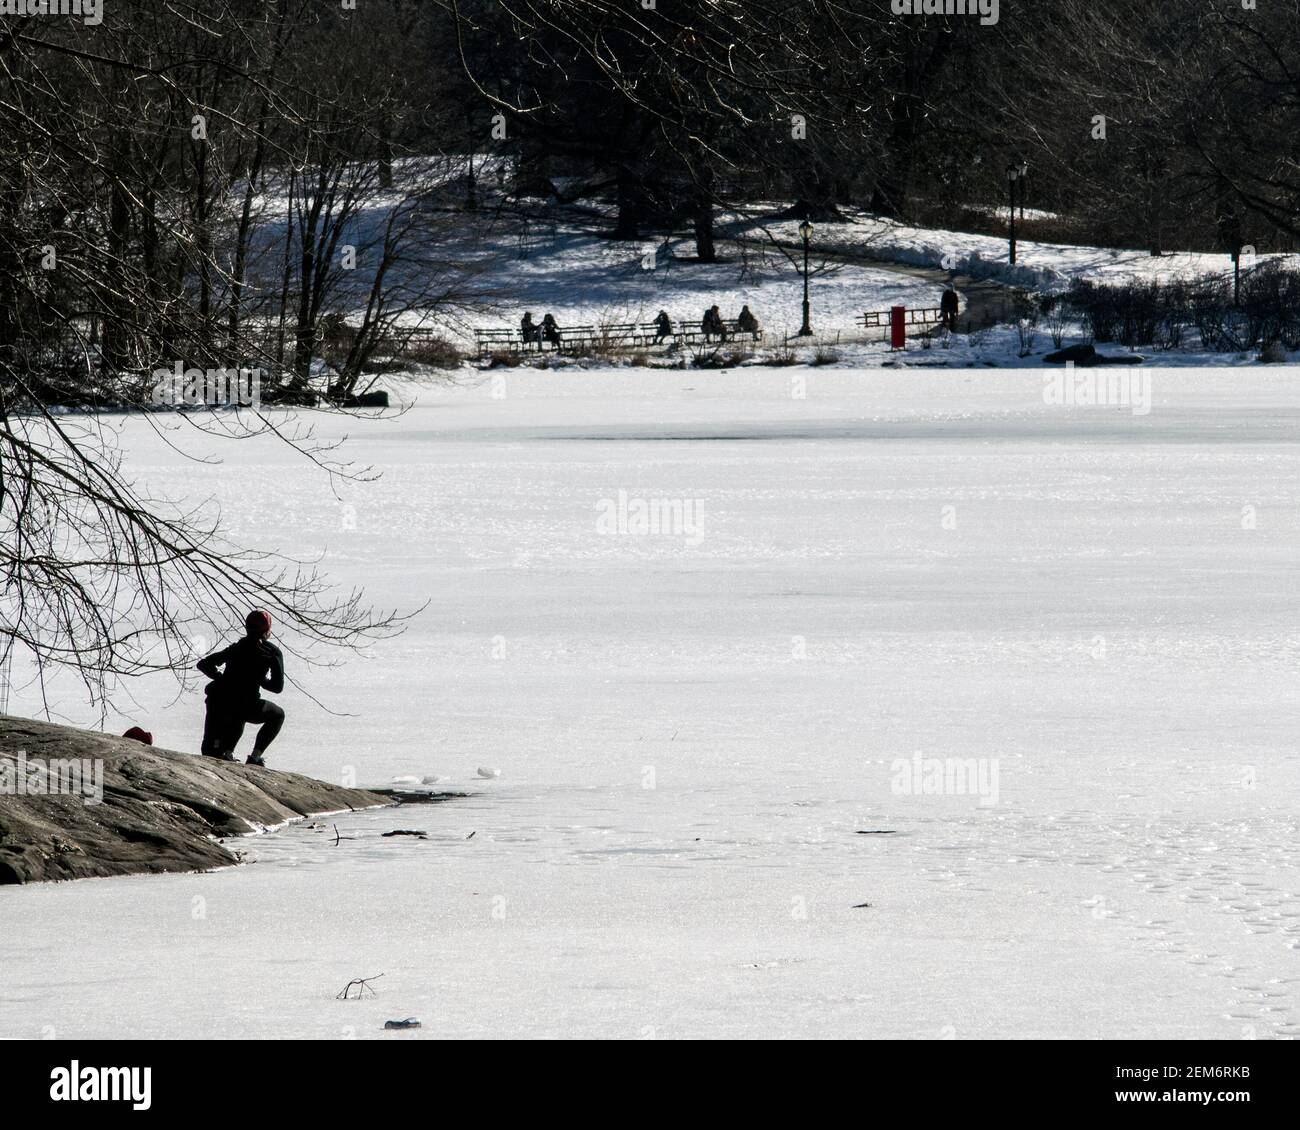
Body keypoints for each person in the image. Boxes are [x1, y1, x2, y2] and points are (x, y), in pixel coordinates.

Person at [197, 610, 285, 767]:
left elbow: (204, 664)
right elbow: (277, 687)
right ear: (268, 630)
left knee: (210, 748)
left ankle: (225, 752)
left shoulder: (237, 647)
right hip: (246, 704)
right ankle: (255, 757)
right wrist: (261, 679)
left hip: (219, 699)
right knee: (277, 715)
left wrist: (220, 677)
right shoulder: (271, 652)